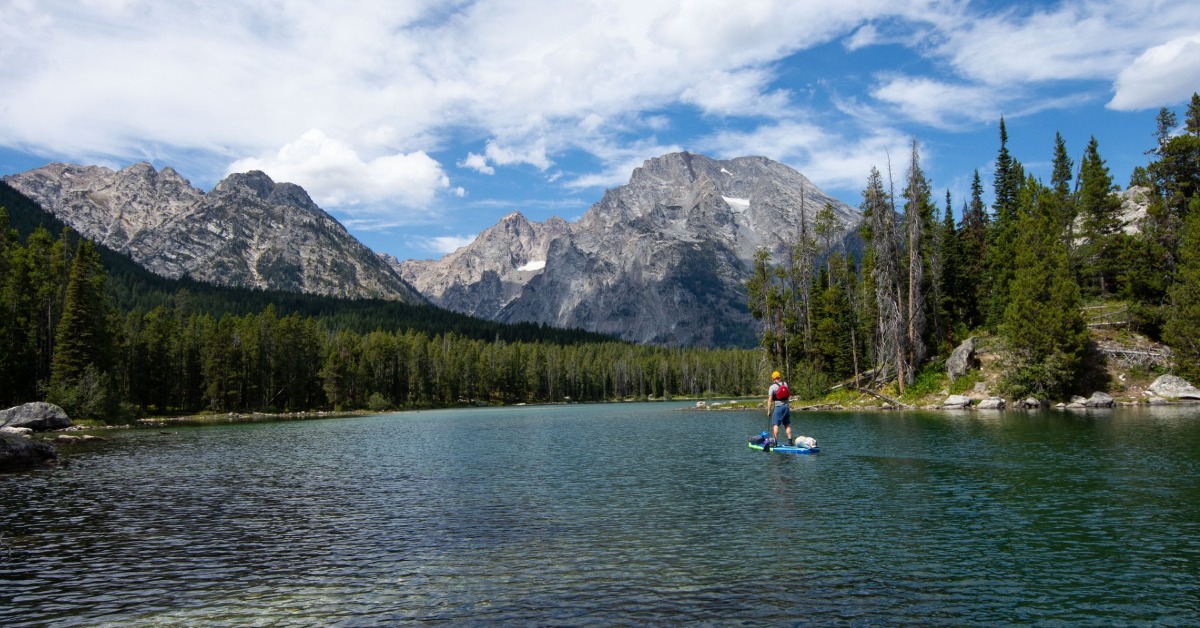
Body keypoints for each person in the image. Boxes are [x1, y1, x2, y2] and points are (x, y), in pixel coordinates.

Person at [767, 370, 794, 446]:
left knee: (775, 424)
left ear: (773, 378)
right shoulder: (785, 384)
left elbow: (770, 401)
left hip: (778, 407)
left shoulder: (772, 387)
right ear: (779, 377)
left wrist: (768, 411)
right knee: (787, 424)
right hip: (786, 407)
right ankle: (790, 442)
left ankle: (775, 442)